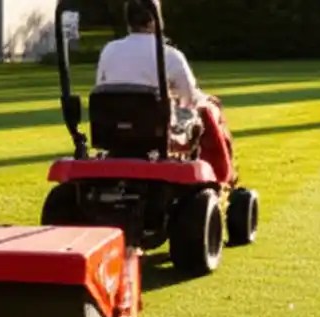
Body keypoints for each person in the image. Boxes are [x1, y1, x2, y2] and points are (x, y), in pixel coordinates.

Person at [94, 1, 237, 182]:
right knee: (210, 109)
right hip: (156, 132)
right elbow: (189, 99)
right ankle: (222, 178)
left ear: (128, 21)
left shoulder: (109, 50)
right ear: (156, 20)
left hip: (114, 130)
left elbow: (102, 88)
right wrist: (206, 100)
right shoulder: (169, 55)